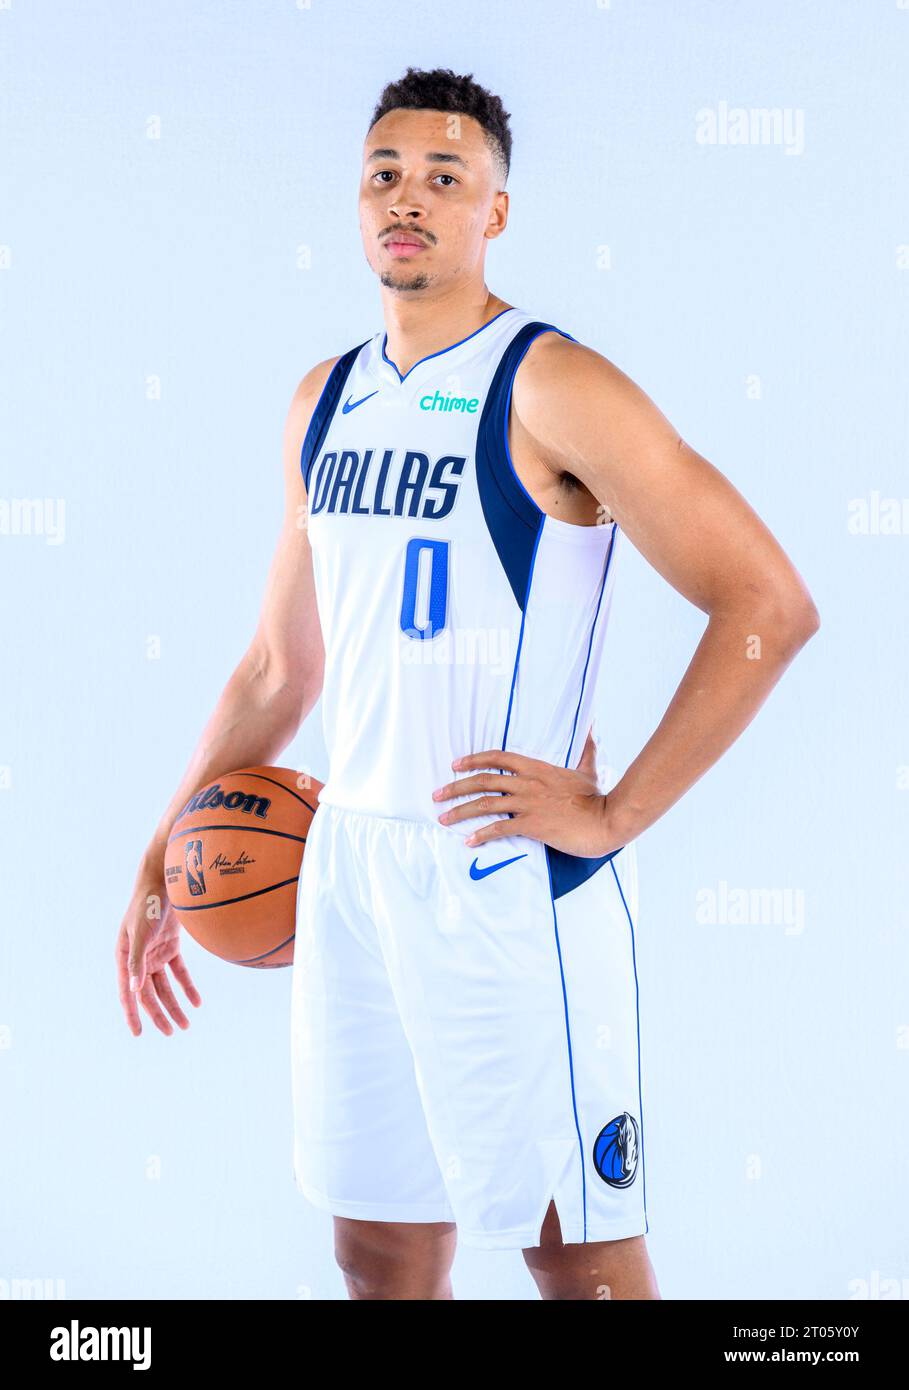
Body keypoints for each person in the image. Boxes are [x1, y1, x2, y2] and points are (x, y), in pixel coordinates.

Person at [116, 67, 820, 1300]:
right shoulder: (322, 401)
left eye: (448, 178)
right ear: (357, 201)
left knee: (577, 1255)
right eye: (387, 174)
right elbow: (284, 665)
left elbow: (767, 602)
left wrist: (611, 816)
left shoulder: (550, 383)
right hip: (346, 868)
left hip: (504, 876)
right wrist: (164, 838)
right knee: (378, 1246)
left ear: (495, 213)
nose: (411, 198)